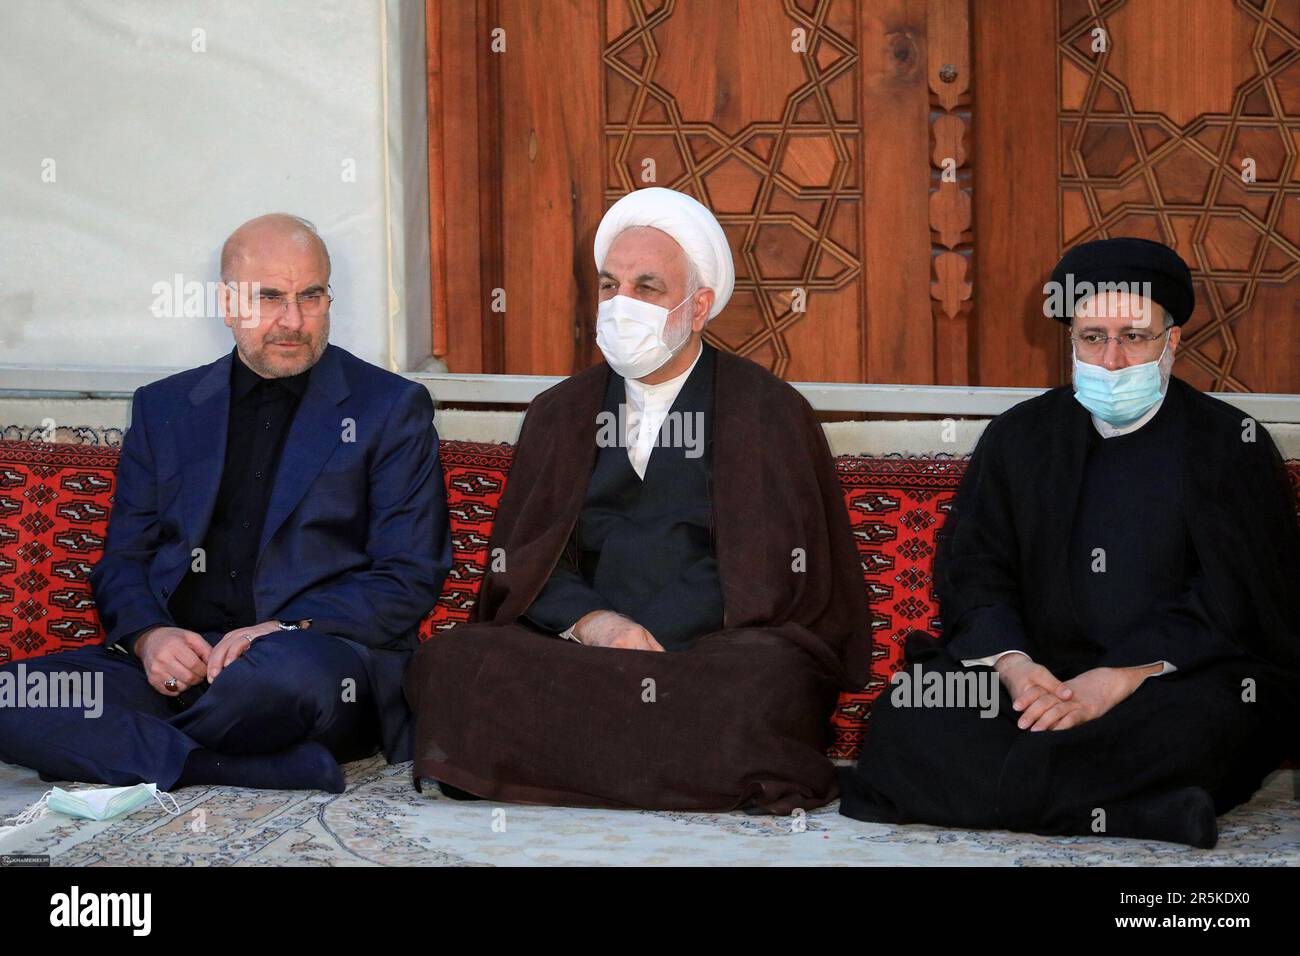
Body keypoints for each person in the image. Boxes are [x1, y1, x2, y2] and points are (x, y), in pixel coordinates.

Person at [404, 187, 871, 813]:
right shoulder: (560, 412)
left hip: (706, 656)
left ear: (697, 306)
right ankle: (669, 771)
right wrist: (599, 626)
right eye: (609, 286)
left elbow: (772, 578)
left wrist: (654, 640)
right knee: (454, 662)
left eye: (647, 288)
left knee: (767, 682)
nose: (622, 305)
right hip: (583, 653)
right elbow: (525, 563)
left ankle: (554, 767)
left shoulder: (765, 409)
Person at [839, 237, 1300, 847]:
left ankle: (1008, 794)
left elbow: (1240, 601)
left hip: (1168, 681)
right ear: (1071, 340)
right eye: (1092, 337)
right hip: (1035, 679)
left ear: (1172, 341)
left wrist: (1117, 678)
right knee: (911, 716)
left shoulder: (1228, 444)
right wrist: (1015, 666)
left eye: (1134, 337)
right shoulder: (1019, 437)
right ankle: (1139, 812)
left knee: (1215, 724)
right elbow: (975, 573)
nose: (1110, 360)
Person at [0, 213, 450, 793]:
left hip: (314, 660)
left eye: (310, 296)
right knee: (16, 695)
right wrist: (149, 639)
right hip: (183, 663)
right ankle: (225, 766)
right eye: (269, 298)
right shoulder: (166, 408)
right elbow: (124, 560)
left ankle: (132, 744)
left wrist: (282, 627)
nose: (293, 320)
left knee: (276, 681)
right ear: (227, 302)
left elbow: (409, 575)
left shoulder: (389, 408)